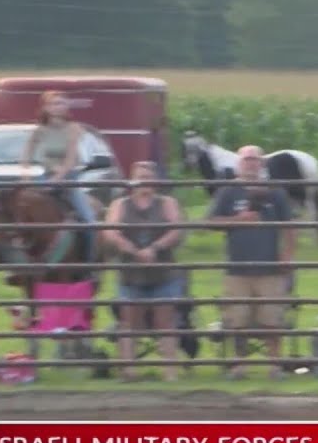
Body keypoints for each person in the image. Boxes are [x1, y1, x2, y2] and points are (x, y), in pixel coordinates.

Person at [205, 145, 295, 380]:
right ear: (238, 164)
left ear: (262, 164)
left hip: (270, 267)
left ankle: (275, 365)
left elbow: (290, 227)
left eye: (255, 160)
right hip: (237, 268)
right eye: (246, 160)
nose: (251, 164)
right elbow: (210, 222)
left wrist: (287, 256)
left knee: (272, 319)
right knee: (238, 320)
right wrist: (238, 219)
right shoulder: (227, 192)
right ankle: (239, 366)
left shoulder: (276, 192)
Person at [102, 160, 186, 382]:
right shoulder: (120, 204)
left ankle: (170, 371)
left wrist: (154, 248)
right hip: (131, 272)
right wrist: (132, 250)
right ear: (132, 181)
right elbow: (110, 232)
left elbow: (176, 229)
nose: (145, 182)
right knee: (129, 321)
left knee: (165, 320)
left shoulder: (167, 203)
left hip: (163, 271)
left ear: (156, 181)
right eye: (140, 177)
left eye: (149, 177)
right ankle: (128, 371)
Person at [21, 91, 96, 253]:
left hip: (69, 179)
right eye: (54, 103)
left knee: (89, 221)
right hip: (45, 176)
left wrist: (56, 180)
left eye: (61, 103)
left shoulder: (74, 129)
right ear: (46, 108)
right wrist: (25, 177)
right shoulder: (39, 131)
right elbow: (26, 155)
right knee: (22, 212)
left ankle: (89, 264)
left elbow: (70, 160)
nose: (58, 107)